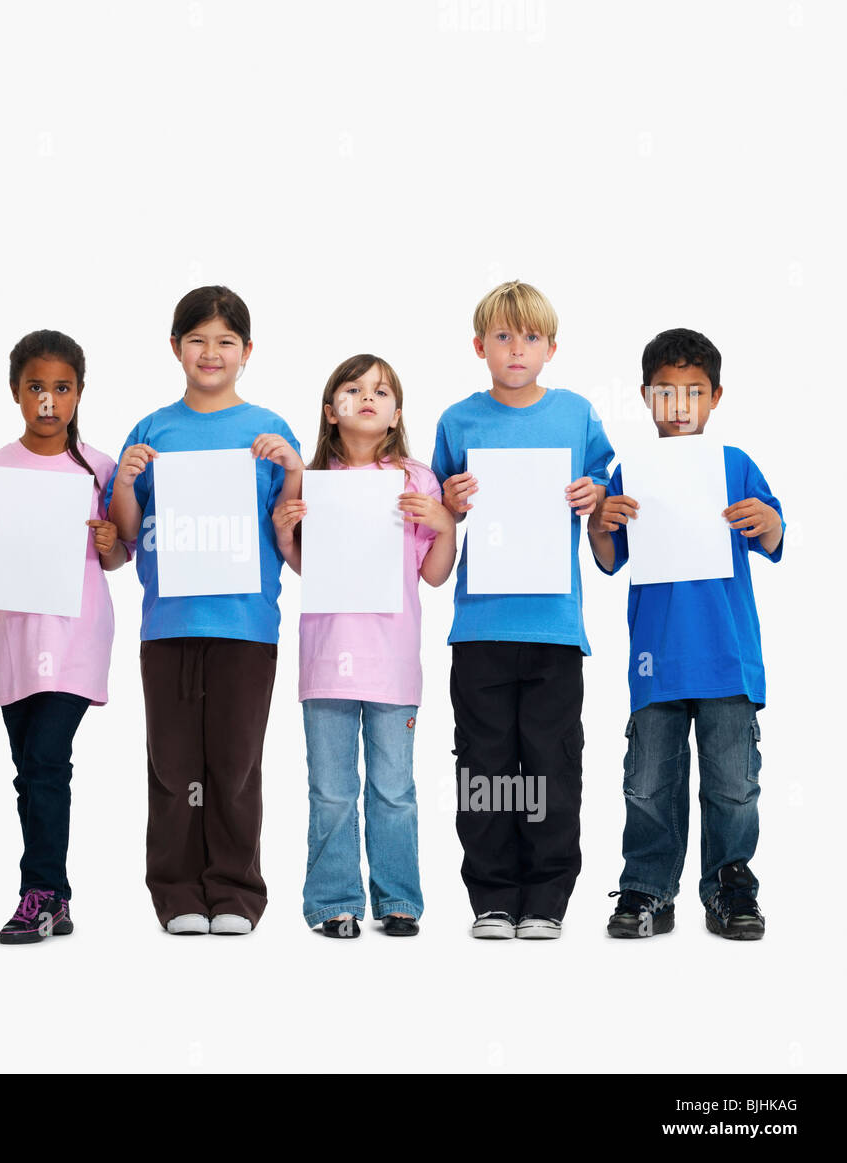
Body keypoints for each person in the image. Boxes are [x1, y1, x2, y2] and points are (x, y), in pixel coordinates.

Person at [106, 285, 302, 935]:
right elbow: (127, 537)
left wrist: (295, 475)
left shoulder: (270, 431)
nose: (210, 353)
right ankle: (177, 891)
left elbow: (294, 539)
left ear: (247, 351)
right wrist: (129, 482)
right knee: (172, 763)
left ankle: (236, 891)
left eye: (225, 341)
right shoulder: (152, 429)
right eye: (197, 340)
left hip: (246, 623)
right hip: (168, 623)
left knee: (236, 763)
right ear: (174, 348)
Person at [590, 328, 784, 941]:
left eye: (693, 392)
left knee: (733, 784)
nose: (679, 405)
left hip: (728, 658)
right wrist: (601, 521)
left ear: (716, 397)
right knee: (648, 782)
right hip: (658, 658)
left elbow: (776, 538)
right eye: (666, 392)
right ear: (646, 397)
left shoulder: (735, 465)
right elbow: (607, 556)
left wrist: (768, 521)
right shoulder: (631, 471)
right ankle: (648, 887)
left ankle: (730, 882)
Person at [433, 280, 613, 939]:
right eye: (503, 336)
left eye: (530, 337)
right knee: (483, 765)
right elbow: (439, 515)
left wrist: (594, 494)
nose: (517, 348)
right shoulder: (459, 421)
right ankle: (493, 896)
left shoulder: (578, 416)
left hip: (555, 627)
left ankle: (545, 896)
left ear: (552, 348)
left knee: (551, 761)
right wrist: (449, 503)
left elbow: (606, 496)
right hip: (480, 624)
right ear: (480, 346)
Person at [0, 329, 131, 944]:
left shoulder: (99, 468)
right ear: (16, 393)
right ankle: (54, 898)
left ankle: (38, 892)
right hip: (14, 638)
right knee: (28, 768)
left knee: (46, 761)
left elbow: (119, 555)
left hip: (77, 636)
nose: (49, 400)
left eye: (62, 388)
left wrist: (111, 542)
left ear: (80, 393)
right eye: (37, 388)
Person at [274, 354, 455, 938]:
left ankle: (399, 899)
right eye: (353, 390)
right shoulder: (310, 478)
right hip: (327, 657)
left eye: (381, 391)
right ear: (331, 410)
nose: (368, 398)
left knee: (394, 789)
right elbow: (309, 567)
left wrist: (446, 523)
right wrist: (284, 530)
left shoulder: (416, 480)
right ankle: (333, 902)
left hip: (393, 661)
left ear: (397, 411)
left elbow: (433, 574)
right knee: (330, 790)